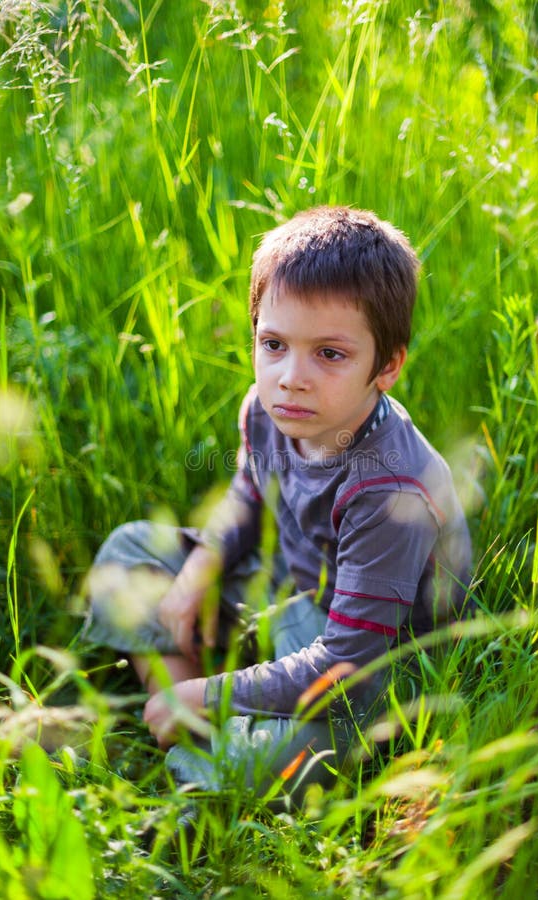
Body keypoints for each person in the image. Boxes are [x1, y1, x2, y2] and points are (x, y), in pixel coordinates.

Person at [84, 205, 472, 803]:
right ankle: (186, 714)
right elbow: (250, 492)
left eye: (330, 354)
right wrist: (199, 570)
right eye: (273, 344)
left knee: (298, 755)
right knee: (128, 552)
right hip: (291, 588)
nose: (291, 376)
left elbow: (344, 662)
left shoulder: (391, 488)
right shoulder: (269, 410)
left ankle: (204, 729)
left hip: (368, 657)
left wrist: (213, 694)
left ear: (387, 365)